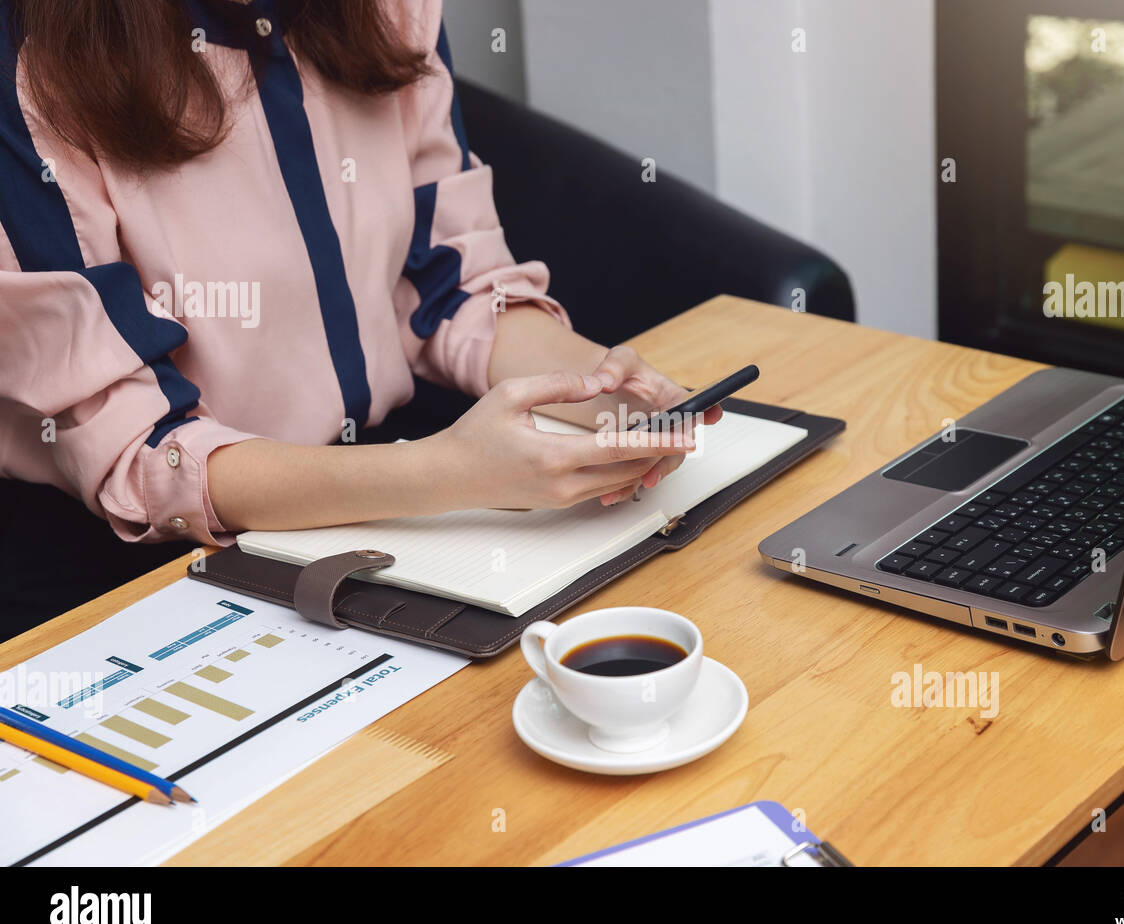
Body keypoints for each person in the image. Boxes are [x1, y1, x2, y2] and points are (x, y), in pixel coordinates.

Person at [0, 0, 718, 638]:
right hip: (127, 571)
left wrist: (603, 392)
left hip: (379, 494)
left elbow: (449, 283)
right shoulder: (33, 67)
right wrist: (449, 474)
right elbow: (146, 457)